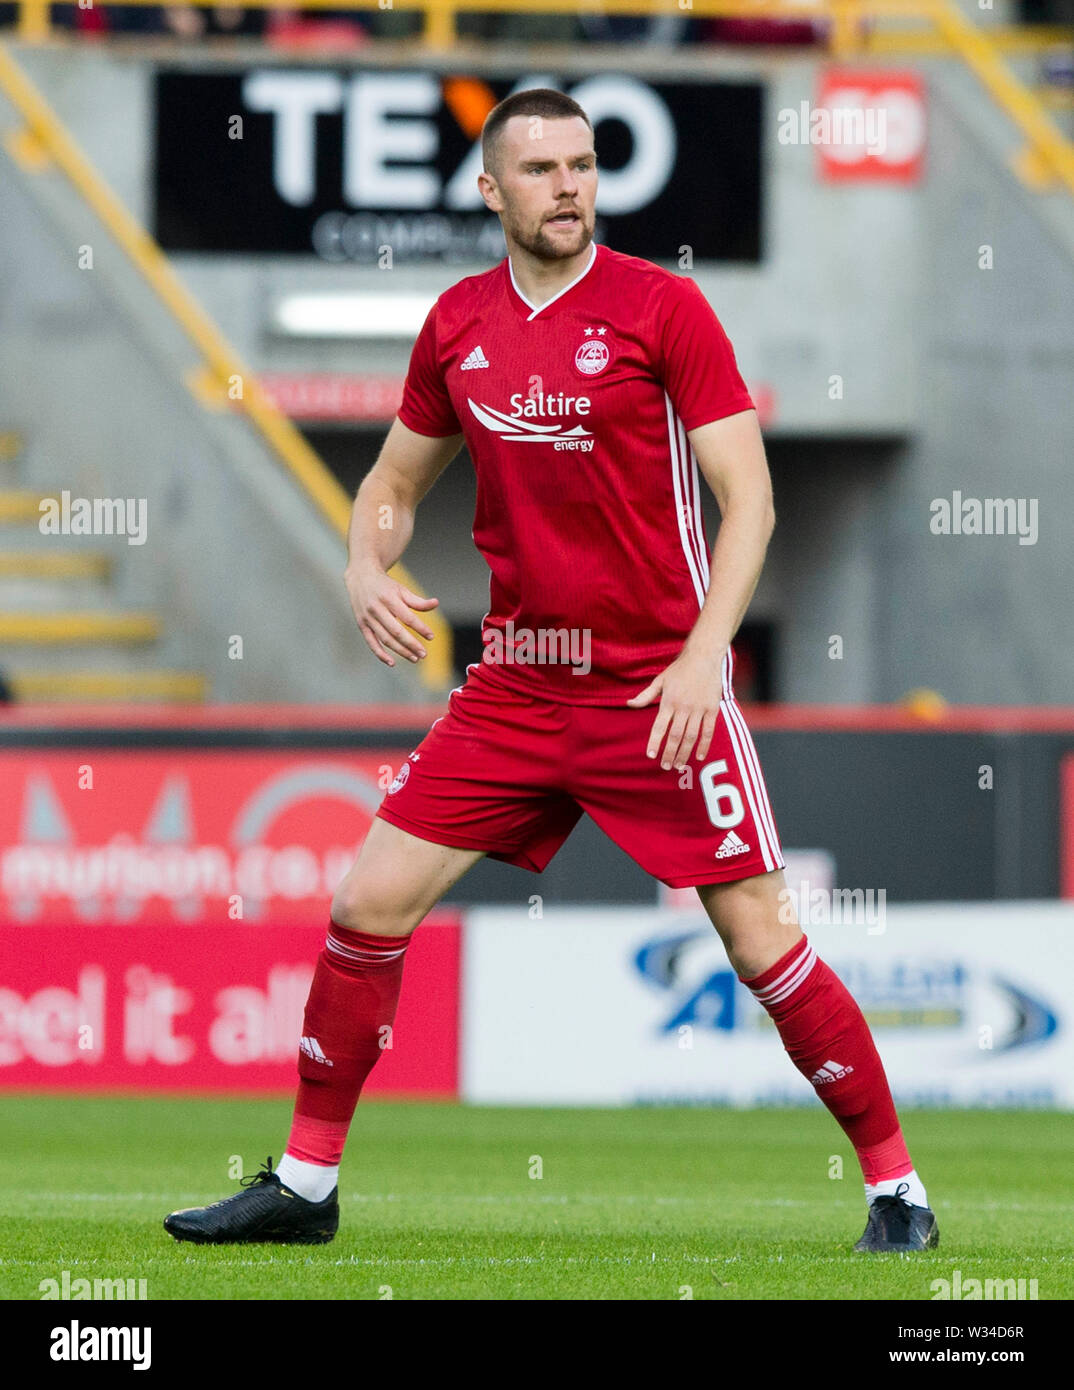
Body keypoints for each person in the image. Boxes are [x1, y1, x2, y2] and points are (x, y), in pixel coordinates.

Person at [164, 88, 938, 1256]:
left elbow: (753, 499)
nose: (570, 185)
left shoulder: (661, 308)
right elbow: (389, 485)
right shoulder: (457, 325)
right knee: (365, 904)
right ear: (491, 191)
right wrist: (364, 563)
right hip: (517, 685)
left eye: (583, 164)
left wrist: (701, 657)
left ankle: (898, 1188)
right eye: (541, 170)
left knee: (762, 941)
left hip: (654, 689)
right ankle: (308, 1186)